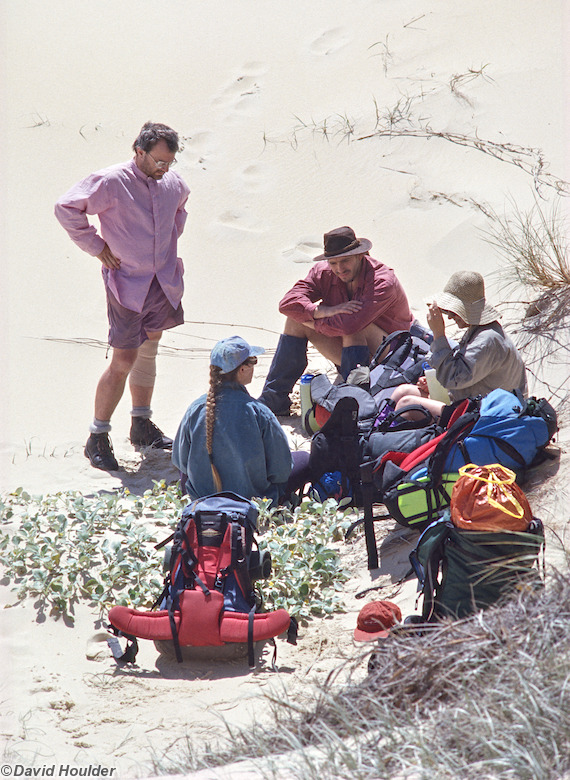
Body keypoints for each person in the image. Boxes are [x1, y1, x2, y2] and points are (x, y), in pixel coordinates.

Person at [55, 121, 190, 472]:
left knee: (151, 347)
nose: (164, 168)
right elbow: (66, 207)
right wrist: (96, 246)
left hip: (163, 281)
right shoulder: (112, 181)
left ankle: (141, 425)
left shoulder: (172, 182)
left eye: (169, 162)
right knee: (124, 359)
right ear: (139, 152)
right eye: (158, 161)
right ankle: (97, 437)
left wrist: (167, 244)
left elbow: (181, 205)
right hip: (127, 282)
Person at [259, 225, 416, 415]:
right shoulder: (323, 272)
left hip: (395, 356)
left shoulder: (382, 280)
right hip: (351, 352)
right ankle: (274, 400)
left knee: (352, 328)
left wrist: (313, 321)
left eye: (345, 261)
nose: (339, 269)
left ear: (360, 255)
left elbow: (351, 324)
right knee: (295, 321)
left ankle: (357, 402)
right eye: (333, 262)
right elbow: (287, 304)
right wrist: (324, 311)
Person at [172, 336, 311, 505]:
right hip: (252, 501)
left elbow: (180, 461)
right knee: (305, 458)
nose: (254, 366)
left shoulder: (195, 409)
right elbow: (281, 470)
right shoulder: (259, 412)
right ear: (242, 369)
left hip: (201, 500)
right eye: (253, 361)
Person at [392, 270, 527, 419]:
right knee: (403, 391)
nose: (450, 317)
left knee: (406, 403)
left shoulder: (487, 341)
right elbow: (463, 373)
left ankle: (386, 430)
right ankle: (380, 425)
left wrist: (438, 334)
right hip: (473, 403)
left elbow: (453, 378)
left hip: (488, 416)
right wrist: (435, 382)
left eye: (455, 312)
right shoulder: (481, 331)